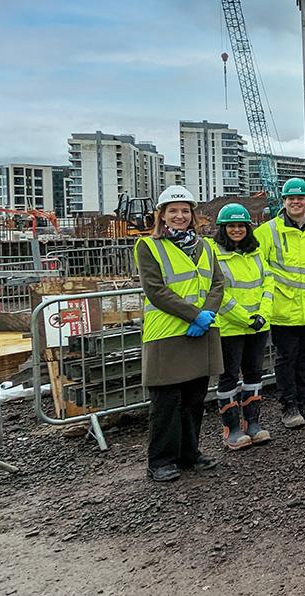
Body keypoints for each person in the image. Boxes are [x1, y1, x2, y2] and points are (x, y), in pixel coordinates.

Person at [137, 185, 224, 481]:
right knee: (166, 402)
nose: (179, 216)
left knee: (194, 399)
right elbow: (156, 290)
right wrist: (195, 314)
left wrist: (207, 315)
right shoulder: (149, 246)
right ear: (161, 215)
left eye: (185, 211)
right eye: (173, 211)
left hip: (200, 332)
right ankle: (161, 460)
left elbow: (217, 284)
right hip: (167, 334)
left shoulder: (206, 246)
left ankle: (190, 453)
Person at [255, 178, 305, 430]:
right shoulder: (268, 231)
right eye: (291, 198)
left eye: (300, 198)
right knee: (286, 359)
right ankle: (289, 407)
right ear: (284, 201)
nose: (296, 202)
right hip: (283, 309)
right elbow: (257, 264)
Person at [210, 203, 273, 450]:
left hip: (257, 326)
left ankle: (253, 424)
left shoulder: (255, 253)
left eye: (241, 226)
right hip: (229, 327)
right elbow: (217, 292)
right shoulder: (214, 254)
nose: (237, 230)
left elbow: (268, 283)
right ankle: (232, 429)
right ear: (223, 229)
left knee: (254, 374)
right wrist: (245, 317)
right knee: (228, 377)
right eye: (231, 226)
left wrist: (262, 314)